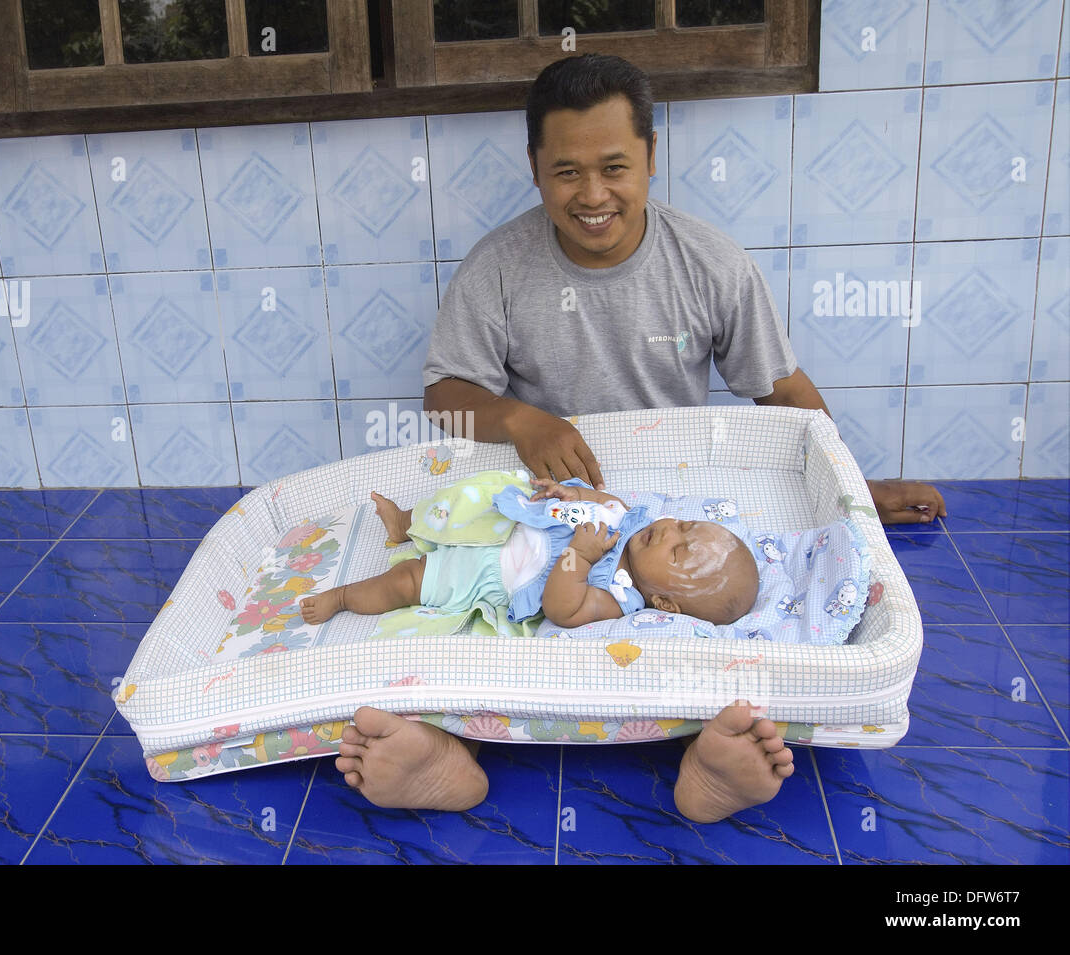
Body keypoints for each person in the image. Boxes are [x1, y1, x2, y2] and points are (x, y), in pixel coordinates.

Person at [333, 53, 935, 823]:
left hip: (661, 514)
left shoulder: (711, 263)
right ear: (534, 168)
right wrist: (522, 420)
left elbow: (781, 395)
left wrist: (855, 486)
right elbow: (444, 400)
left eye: (615, 166)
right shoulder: (499, 269)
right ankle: (451, 755)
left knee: (716, 612)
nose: (592, 196)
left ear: (652, 156)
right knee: (498, 610)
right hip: (555, 509)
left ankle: (710, 759)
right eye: (566, 172)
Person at [298, 474, 760, 630]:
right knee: (467, 496)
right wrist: (569, 495)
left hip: (491, 570)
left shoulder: (618, 597)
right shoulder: (629, 519)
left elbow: (562, 607)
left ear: (664, 602)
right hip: (515, 519)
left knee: (406, 583)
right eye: (681, 525)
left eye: (677, 553)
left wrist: (580, 553)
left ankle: (343, 597)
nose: (666, 532)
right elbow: (595, 501)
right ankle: (406, 522)